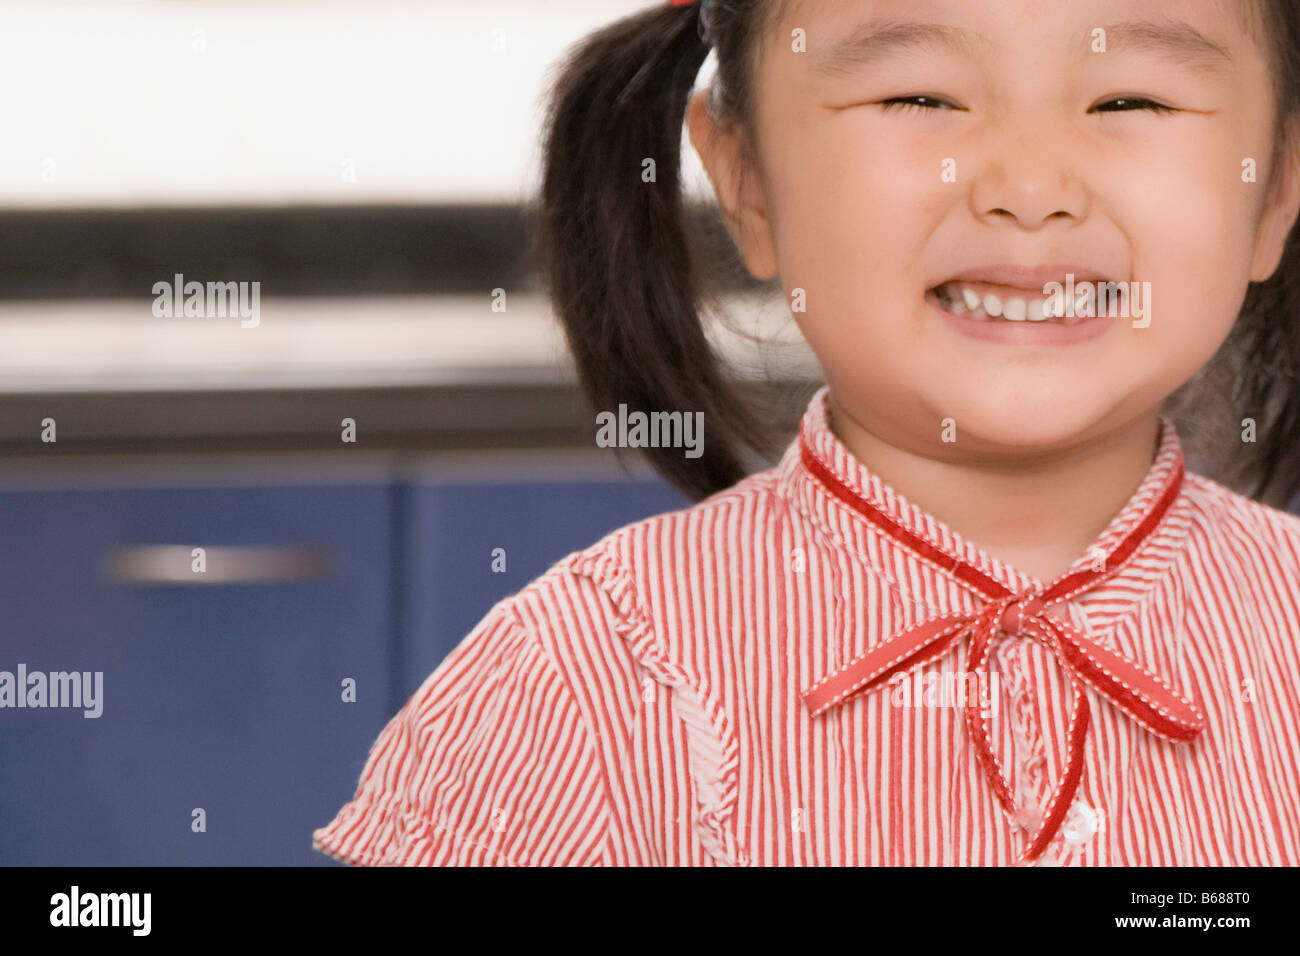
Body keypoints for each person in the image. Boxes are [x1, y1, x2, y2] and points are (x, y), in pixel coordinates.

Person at [314, 0, 1300, 865]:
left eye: (1130, 102)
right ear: (744, 179)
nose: (1029, 185)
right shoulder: (578, 685)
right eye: (921, 98)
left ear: (1277, 186)